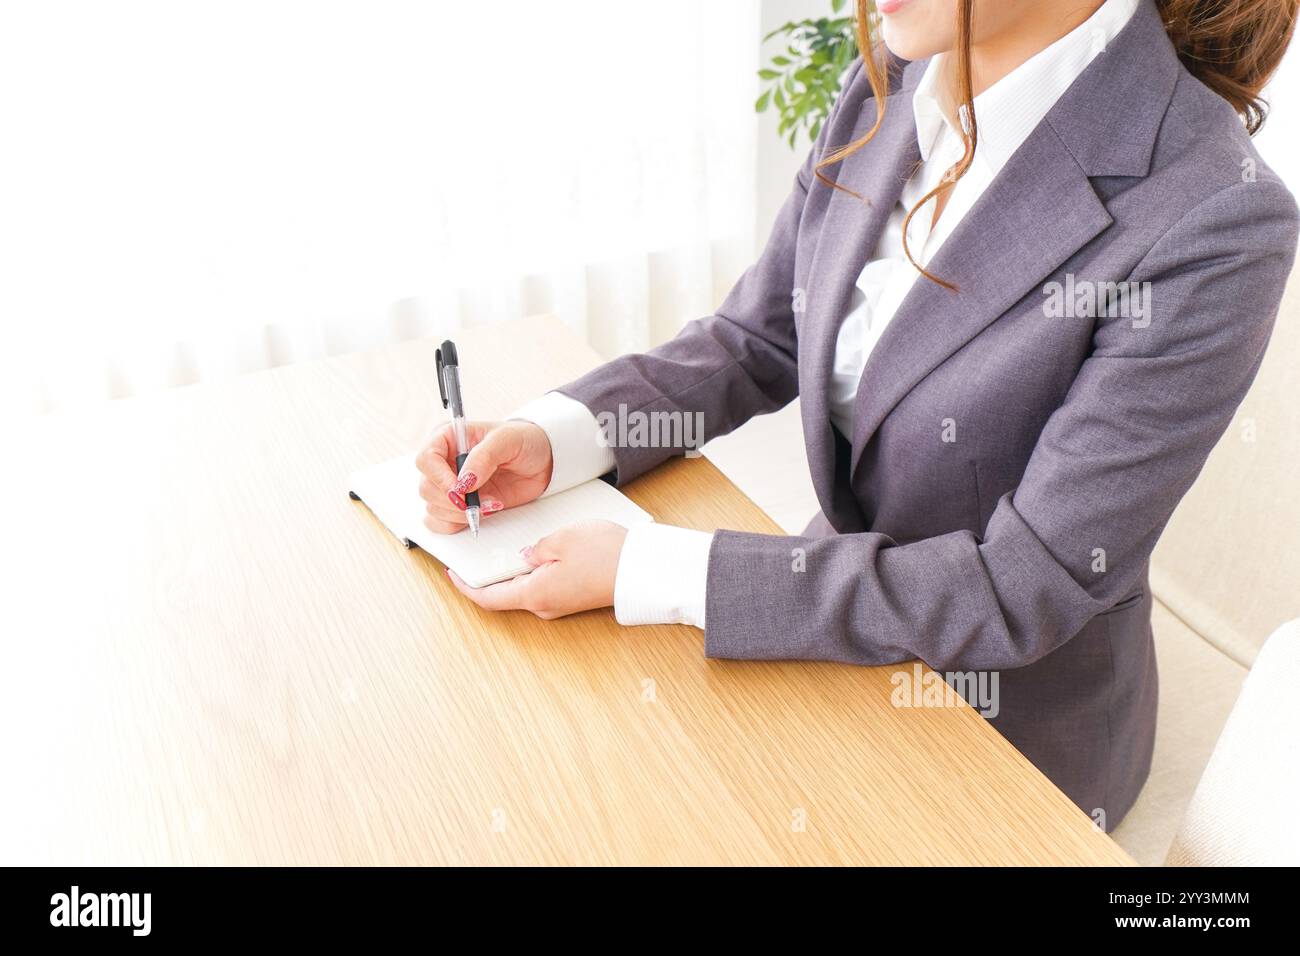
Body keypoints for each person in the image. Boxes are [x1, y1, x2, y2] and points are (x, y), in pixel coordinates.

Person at [416, 0, 1300, 827]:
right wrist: (560, 438)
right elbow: (754, 338)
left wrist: (653, 568)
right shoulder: (898, 68)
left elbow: (1019, 587)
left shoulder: (1217, 215)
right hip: (819, 628)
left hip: (1004, 735)